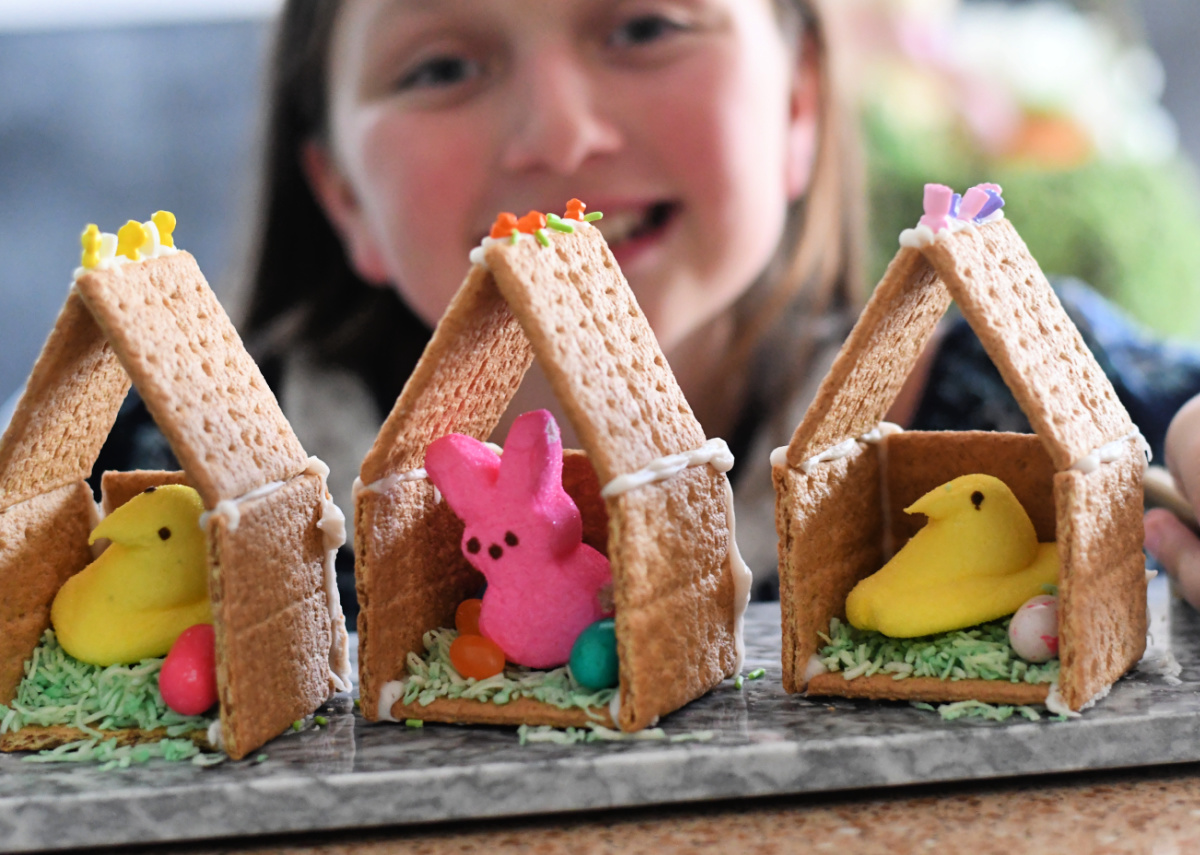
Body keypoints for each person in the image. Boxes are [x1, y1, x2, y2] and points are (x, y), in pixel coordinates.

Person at [96, 0, 1200, 615]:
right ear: (343, 199)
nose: (562, 136)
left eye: (642, 28)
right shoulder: (157, 455)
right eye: (439, 68)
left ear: (799, 103)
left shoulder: (1030, 377)